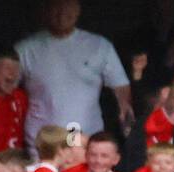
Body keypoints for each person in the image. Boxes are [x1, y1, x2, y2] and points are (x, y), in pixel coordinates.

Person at [17, 0, 133, 149]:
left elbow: (120, 84)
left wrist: (125, 111)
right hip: (42, 136)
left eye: (68, 6)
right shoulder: (25, 48)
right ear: (46, 10)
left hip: (82, 135)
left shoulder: (99, 45)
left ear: (78, 10)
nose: (62, 12)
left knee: (76, 170)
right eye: (56, 7)